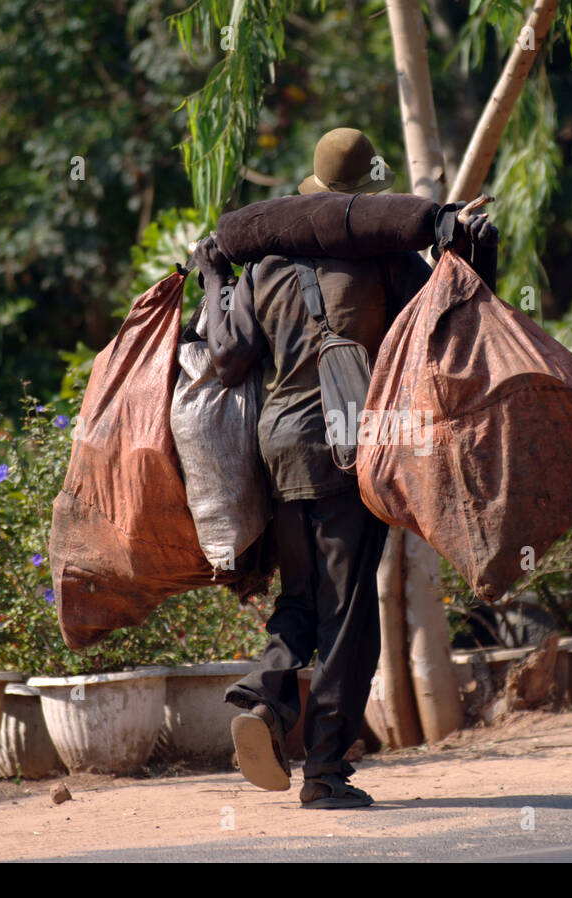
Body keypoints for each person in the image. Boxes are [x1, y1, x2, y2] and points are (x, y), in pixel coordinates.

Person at [192, 127, 497, 809]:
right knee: (349, 613)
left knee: (302, 599)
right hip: (346, 450)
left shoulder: (264, 265)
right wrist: (473, 248)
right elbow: (445, 322)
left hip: (276, 451)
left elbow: (228, 354)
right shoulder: (384, 261)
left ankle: (265, 701)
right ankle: (324, 770)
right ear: (363, 193)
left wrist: (215, 277)